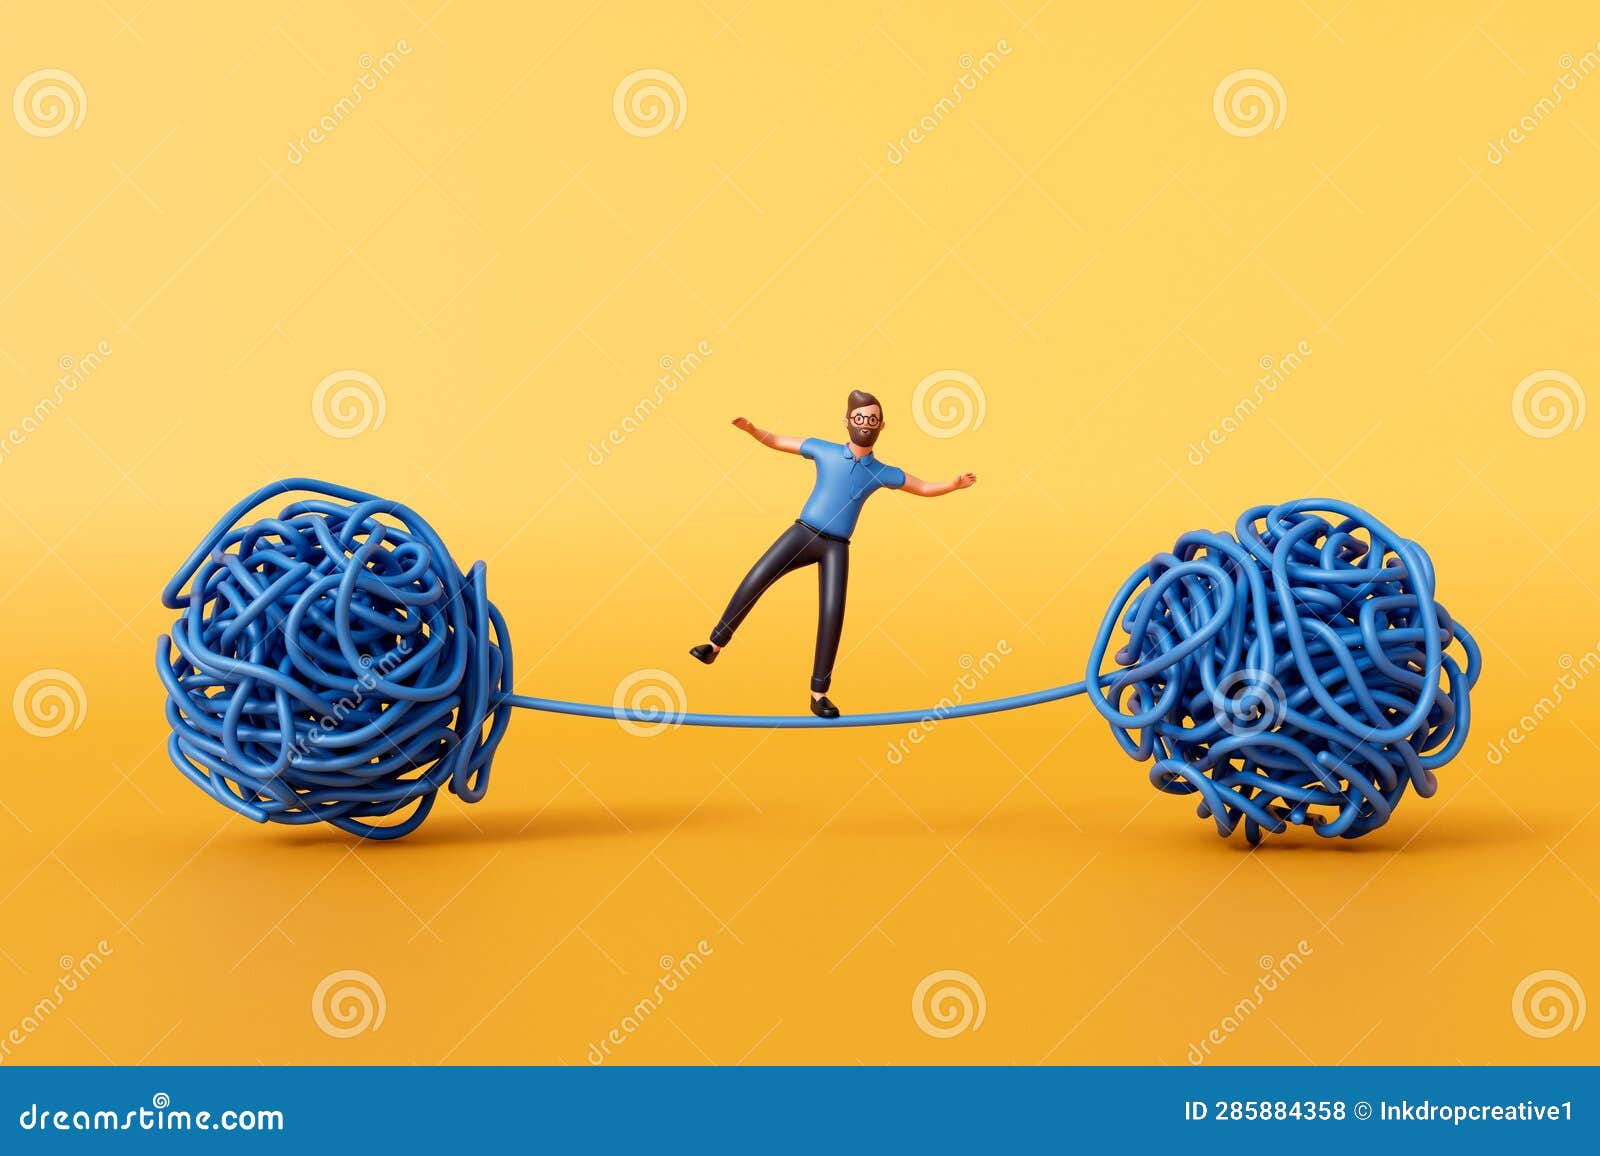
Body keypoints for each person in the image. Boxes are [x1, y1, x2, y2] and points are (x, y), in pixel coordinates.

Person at [689, 389, 978, 718]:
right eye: (859, 418)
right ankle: (713, 645)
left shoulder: (881, 471)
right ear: (846, 422)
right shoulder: (823, 450)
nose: (865, 424)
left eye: (871, 420)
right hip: (802, 533)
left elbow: (923, 487)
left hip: (836, 548)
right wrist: (754, 431)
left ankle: (818, 692)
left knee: (832, 613)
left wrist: (952, 485)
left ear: (882, 426)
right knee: (756, 578)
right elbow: (779, 441)